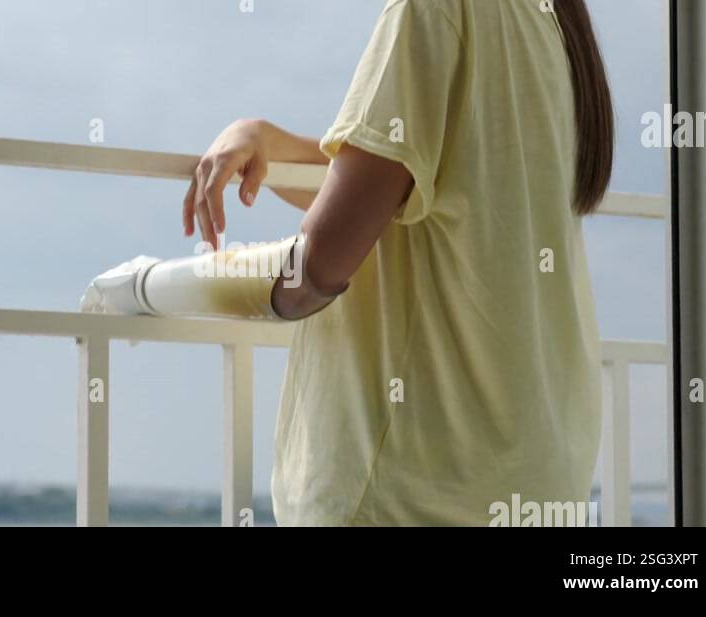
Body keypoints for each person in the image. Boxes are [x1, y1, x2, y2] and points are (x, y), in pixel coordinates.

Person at [181, 0, 614, 525]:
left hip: (415, 487)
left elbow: (317, 267)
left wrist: (159, 286)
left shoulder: (433, 10)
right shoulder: (549, 22)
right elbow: (398, 176)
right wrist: (266, 138)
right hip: (536, 477)